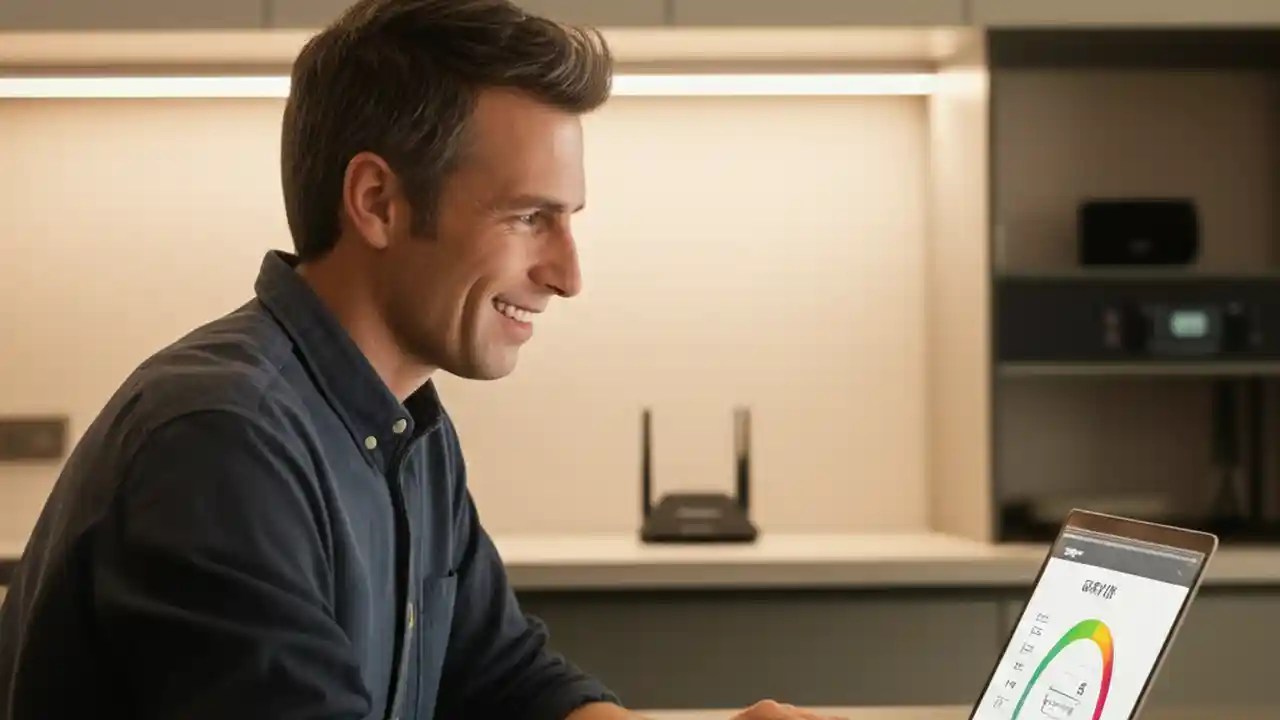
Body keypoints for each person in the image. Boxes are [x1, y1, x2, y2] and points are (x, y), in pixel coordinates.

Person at [0, 1, 842, 719]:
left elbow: (509, 683)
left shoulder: (403, 432)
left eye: (568, 219)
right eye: (528, 218)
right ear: (378, 202)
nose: (567, 274)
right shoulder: (225, 443)